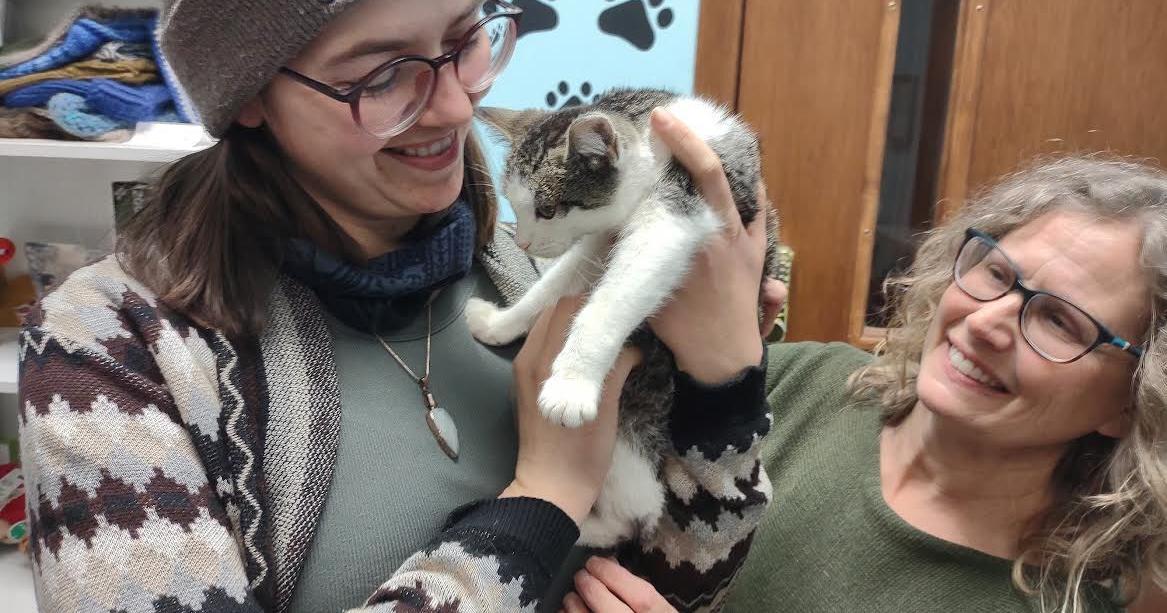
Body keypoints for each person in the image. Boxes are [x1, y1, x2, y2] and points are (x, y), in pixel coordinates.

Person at [16, 1, 784, 611]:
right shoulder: (107, 346)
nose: (454, 108)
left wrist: (724, 381)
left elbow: (686, 574)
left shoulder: (532, 274)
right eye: (383, 76)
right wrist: (539, 507)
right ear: (251, 97)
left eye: (465, 40)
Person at [715, 156, 1167, 613]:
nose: (985, 322)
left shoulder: (1072, 601)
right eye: (997, 273)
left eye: (1059, 321)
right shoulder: (795, 383)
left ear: (1132, 402)